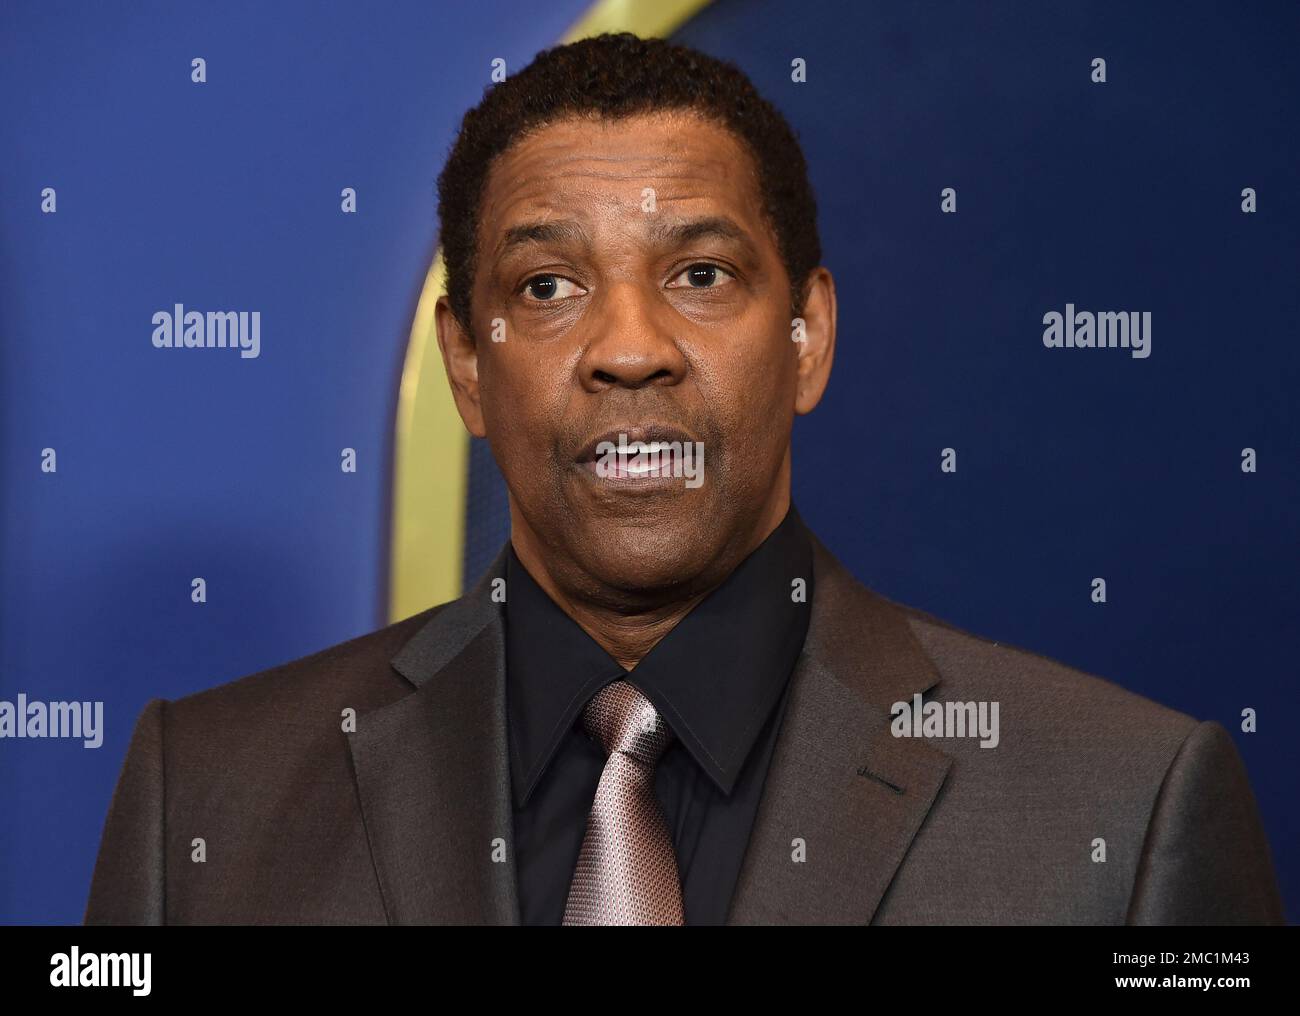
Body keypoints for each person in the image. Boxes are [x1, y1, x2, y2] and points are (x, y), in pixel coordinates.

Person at [85, 32, 1283, 926]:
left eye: (700, 274)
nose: (628, 345)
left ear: (807, 334)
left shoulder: (1123, 815)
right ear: (466, 365)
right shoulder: (206, 800)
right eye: (548, 286)